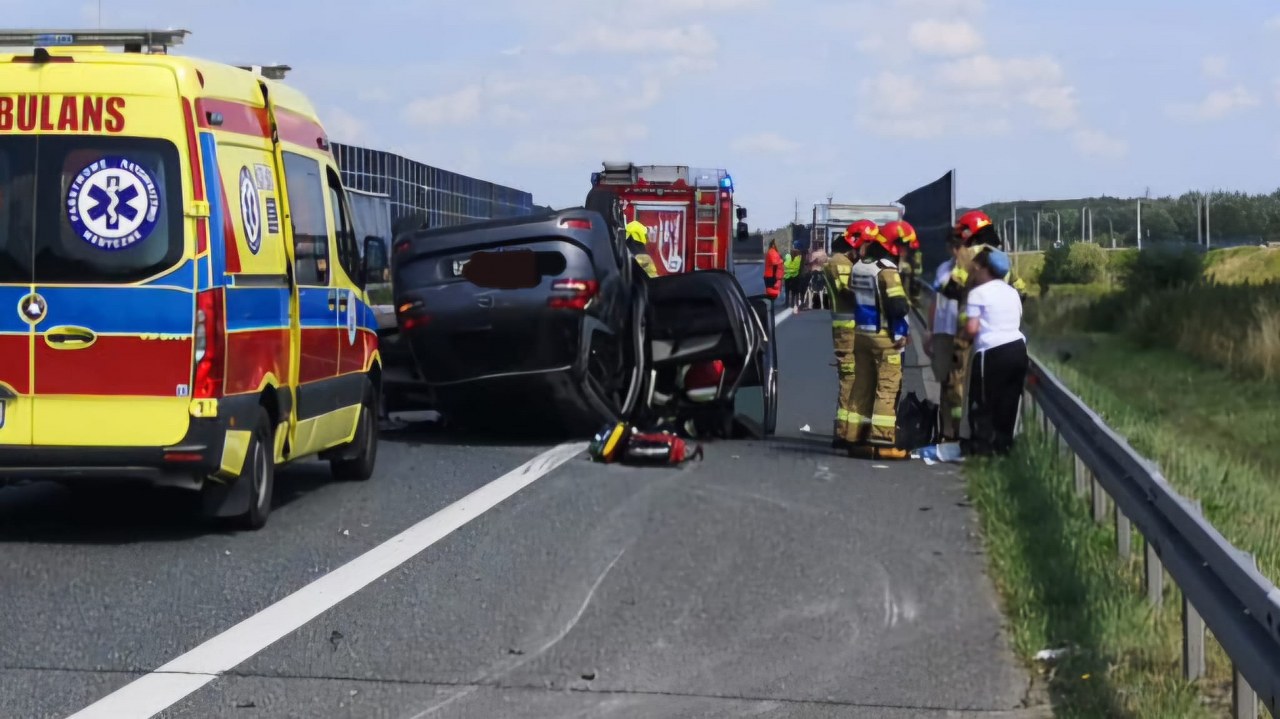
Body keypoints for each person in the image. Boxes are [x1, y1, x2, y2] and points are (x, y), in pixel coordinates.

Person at [847, 225, 911, 459]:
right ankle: (883, 442)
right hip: (884, 336)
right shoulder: (887, 270)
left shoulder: (860, 266)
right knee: (887, 387)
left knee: (862, 386)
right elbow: (897, 306)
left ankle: (856, 438)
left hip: (861, 334)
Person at [961, 249, 1028, 455]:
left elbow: (972, 329)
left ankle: (983, 448)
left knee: (983, 400)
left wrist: (963, 331)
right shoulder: (1013, 292)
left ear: (986, 269)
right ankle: (1004, 447)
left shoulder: (978, 293)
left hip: (991, 351)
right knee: (1009, 400)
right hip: (1018, 349)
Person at [823, 221, 876, 448]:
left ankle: (850, 430)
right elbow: (848, 293)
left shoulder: (844, 261)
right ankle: (844, 432)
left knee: (856, 378)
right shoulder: (840, 263)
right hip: (847, 331)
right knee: (850, 379)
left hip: (851, 329)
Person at [924, 235, 966, 441]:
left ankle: (959, 432)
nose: (955, 250)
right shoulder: (943, 269)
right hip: (942, 333)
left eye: (959, 246)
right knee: (945, 383)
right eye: (953, 246)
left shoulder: (972, 271)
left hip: (962, 335)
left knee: (958, 386)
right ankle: (945, 432)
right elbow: (934, 300)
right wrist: (929, 331)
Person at [763, 239, 785, 305]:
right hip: (770, 276)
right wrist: (781, 261)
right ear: (773, 245)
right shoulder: (772, 252)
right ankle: (769, 305)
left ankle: (770, 305)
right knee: (772, 294)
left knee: (771, 294)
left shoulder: (772, 252)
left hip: (771, 275)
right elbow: (774, 262)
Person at [783, 243, 804, 311]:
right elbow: (798, 268)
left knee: (787, 291)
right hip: (795, 277)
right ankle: (792, 303)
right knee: (794, 291)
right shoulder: (798, 258)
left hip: (787, 276)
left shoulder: (787, 256)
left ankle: (786, 304)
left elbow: (784, 265)